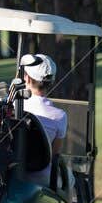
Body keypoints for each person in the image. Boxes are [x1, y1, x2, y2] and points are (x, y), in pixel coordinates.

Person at [17, 53, 67, 185]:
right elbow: (54, 154)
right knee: (70, 180)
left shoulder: (13, 106)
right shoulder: (60, 116)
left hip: (12, 173)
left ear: (27, 79)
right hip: (42, 176)